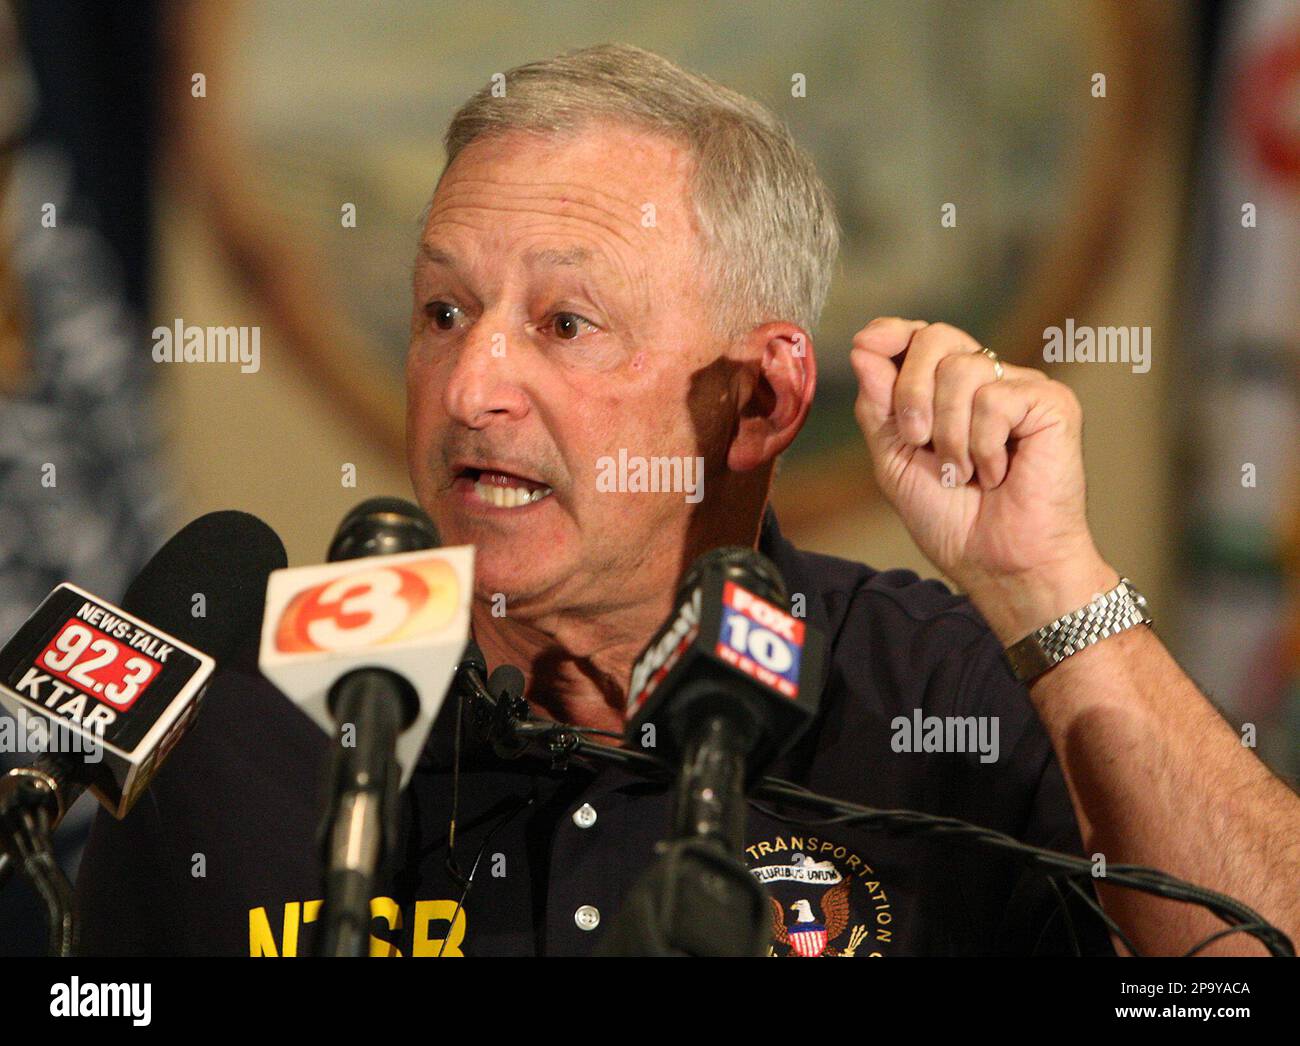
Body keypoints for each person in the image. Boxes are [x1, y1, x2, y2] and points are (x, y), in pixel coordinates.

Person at [76, 43, 1299, 958]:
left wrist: (1055, 589)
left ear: (760, 404)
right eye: (443, 312)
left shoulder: (934, 698)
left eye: (565, 323)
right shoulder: (245, 711)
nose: (470, 383)